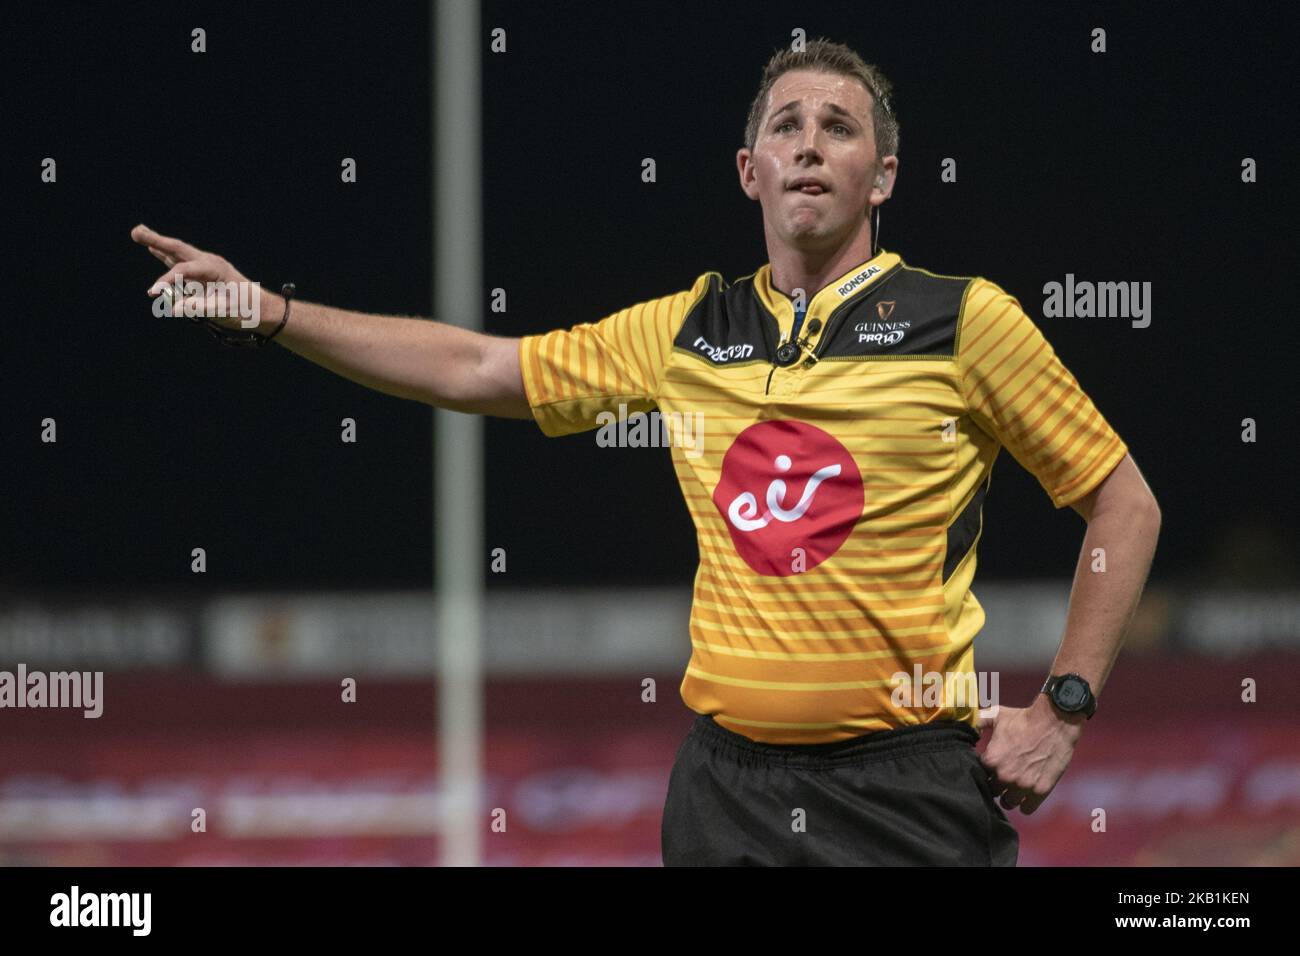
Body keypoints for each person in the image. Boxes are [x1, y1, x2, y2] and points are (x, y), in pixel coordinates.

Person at [132, 37, 1161, 866]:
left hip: (907, 794)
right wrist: (268, 310)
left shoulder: (965, 319)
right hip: (724, 798)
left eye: (838, 128)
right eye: (785, 126)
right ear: (746, 169)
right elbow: (476, 367)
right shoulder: (685, 329)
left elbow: (1124, 502)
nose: (809, 144)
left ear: (880, 174)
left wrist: (1063, 708)